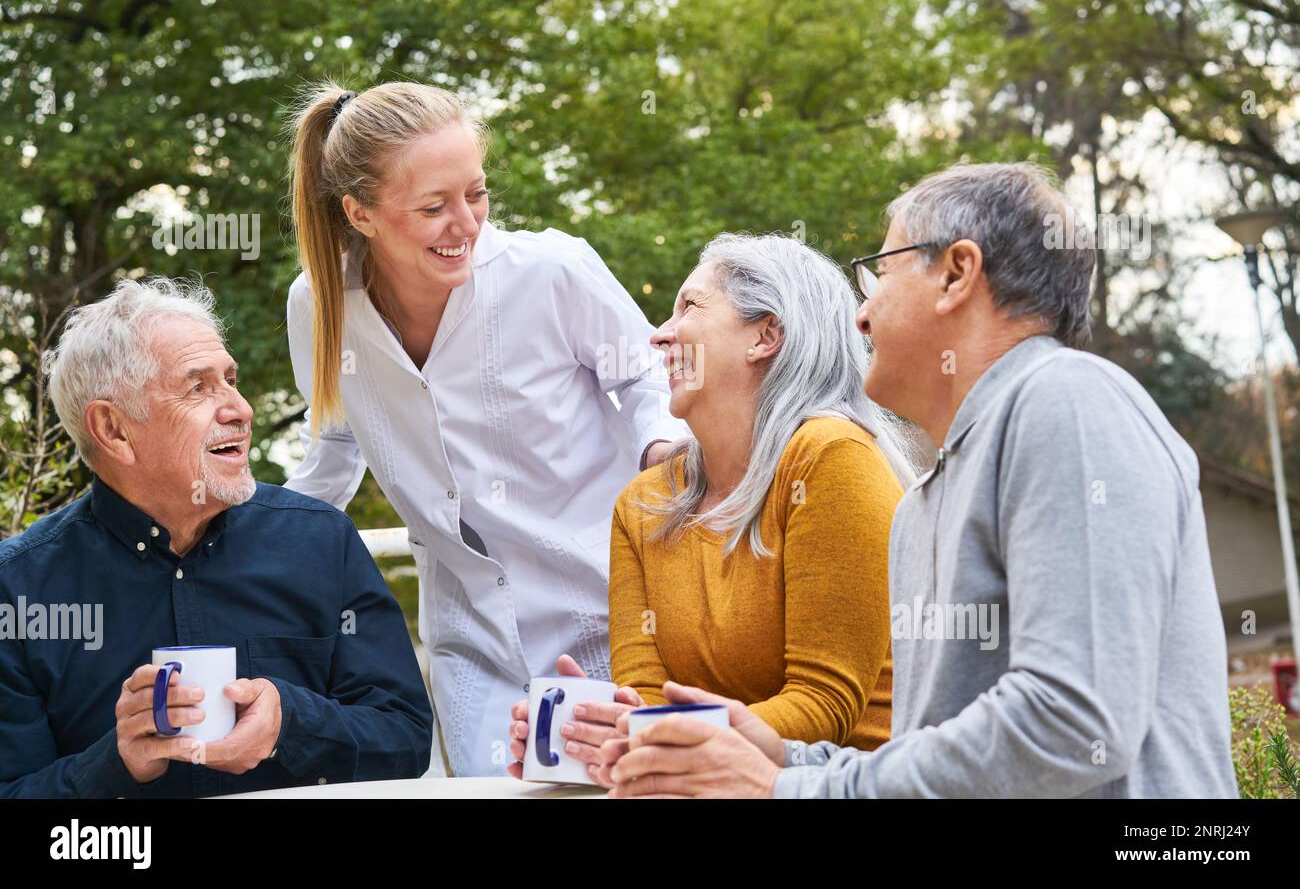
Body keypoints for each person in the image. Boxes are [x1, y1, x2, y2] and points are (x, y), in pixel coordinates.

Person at [600, 161, 1238, 798]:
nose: (860, 313)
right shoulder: (925, 502)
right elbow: (924, 757)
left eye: (881, 271)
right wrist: (778, 754)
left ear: (957, 274)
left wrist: (786, 791)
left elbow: (1072, 721)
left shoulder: (1066, 401)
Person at [283, 80, 689, 776]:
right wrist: (252, 534)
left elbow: (646, 373)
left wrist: (662, 449)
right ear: (361, 213)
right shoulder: (319, 308)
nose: (465, 222)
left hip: (611, 613)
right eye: (434, 206)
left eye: (476, 193)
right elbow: (338, 443)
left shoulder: (550, 270)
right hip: (473, 641)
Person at [507, 234, 916, 786]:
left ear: (765, 335)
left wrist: (655, 738)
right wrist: (599, 733)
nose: (659, 335)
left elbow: (823, 707)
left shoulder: (831, 459)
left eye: (690, 306)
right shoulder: (643, 503)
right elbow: (646, 697)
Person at [0, 277, 432, 797]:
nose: (240, 409)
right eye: (198, 387)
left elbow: (405, 739)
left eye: (231, 380)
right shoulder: (19, 589)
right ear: (113, 430)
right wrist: (116, 763)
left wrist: (290, 723)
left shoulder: (321, 541)